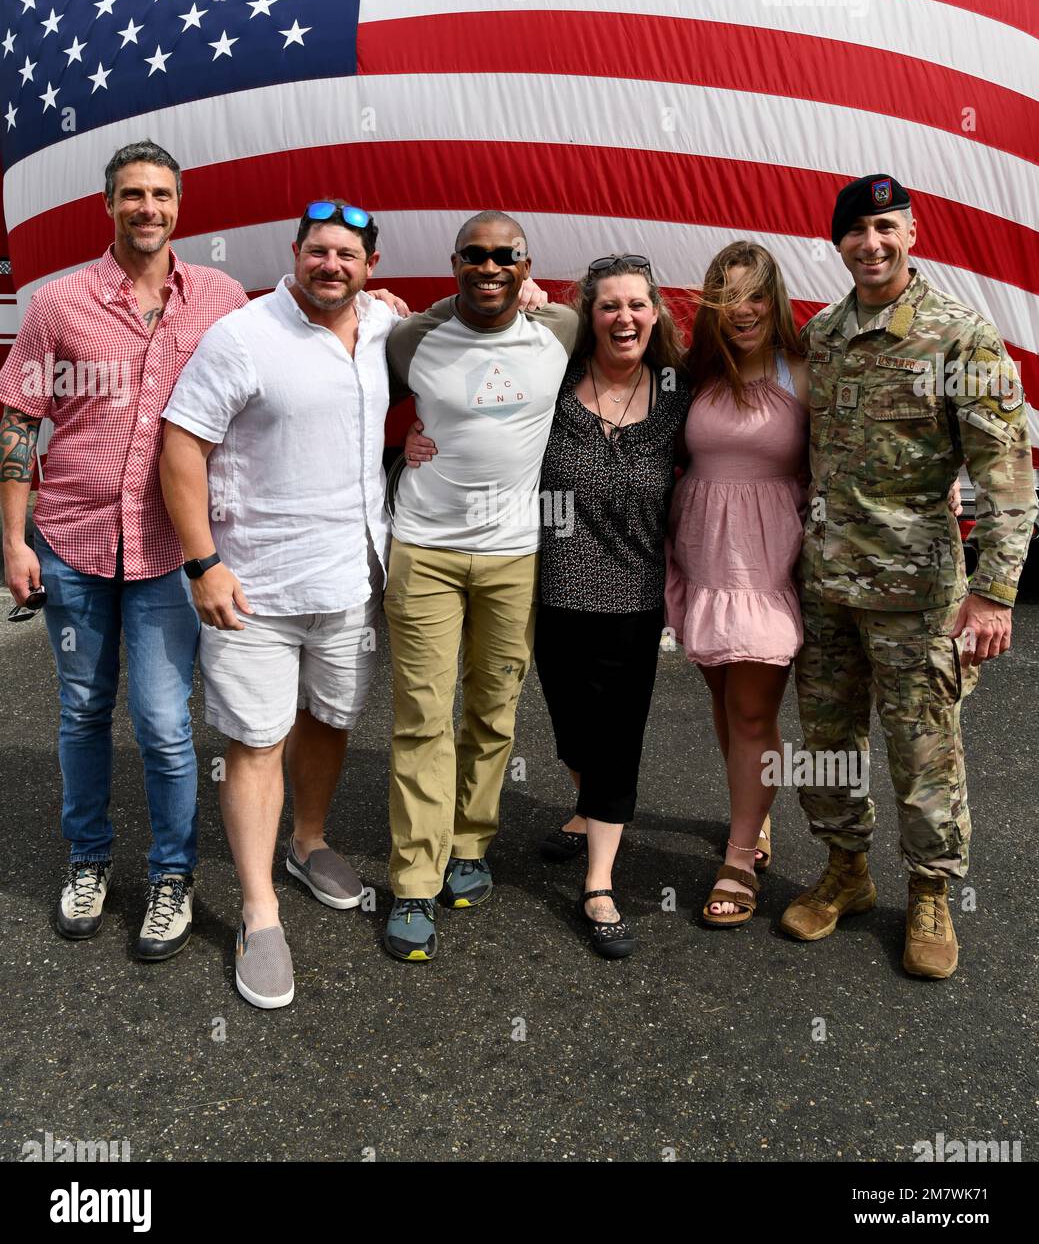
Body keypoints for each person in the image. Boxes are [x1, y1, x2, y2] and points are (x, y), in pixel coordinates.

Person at [781, 173, 1037, 978]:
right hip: (826, 586)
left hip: (918, 596)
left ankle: (928, 891)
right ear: (839, 244)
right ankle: (844, 871)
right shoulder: (821, 335)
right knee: (826, 744)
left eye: (885, 227)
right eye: (855, 232)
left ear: (911, 233)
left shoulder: (958, 336)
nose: (871, 244)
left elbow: (1006, 471)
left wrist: (994, 592)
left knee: (923, 748)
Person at [0, 140, 248, 959]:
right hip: (70, 543)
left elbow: (285, 357)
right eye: (133, 195)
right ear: (107, 204)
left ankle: (172, 874)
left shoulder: (219, 298)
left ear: (180, 206)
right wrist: (13, 540)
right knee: (80, 712)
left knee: (165, 726)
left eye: (162, 195)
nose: (149, 208)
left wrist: (385, 309)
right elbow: (18, 419)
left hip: (168, 554)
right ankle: (88, 860)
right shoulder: (58, 303)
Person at [159, 200, 404, 1009]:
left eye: (348, 255)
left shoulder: (379, 325)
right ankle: (259, 911)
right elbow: (182, 446)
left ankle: (307, 841)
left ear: (369, 268)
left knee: (331, 718)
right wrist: (203, 564)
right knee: (257, 739)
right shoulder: (244, 335)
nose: (331, 265)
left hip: (347, 579)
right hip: (252, 585)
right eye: (318, 251)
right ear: (295, 254)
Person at [381, 211, 577, 963]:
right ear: (453, 260)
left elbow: (621, 330)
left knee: (493, 711)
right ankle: (413, 881)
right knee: (422, 717)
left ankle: (469, 842)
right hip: (425, 549)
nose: (489, 268)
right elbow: (351, 402)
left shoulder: (557, 331)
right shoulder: (411, 339)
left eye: (505, 257)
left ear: (525, 265)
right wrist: (400, 454)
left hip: (514, 555)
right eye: (475, 256)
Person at [533, 255, 690, 956]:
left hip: (633, 596)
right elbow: (479, 406)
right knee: (571, 727)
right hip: (554, 589)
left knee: (615, 734)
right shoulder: (553, 382)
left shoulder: (679, 396)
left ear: (654, 314)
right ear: (586, 316)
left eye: (636, 305)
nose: (623, 317)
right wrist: (423, 443)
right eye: (607, 306)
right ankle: (586, 805)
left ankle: (598, 882)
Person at [665, 243, 809, 926]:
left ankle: (737, 857)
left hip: (765, 564)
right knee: (727, 704)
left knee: (752, 712)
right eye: (727, 298)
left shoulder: (802, 371)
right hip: (702, 559)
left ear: (773, 298)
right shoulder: (695, 371)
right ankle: (753, 817)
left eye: (754, 295)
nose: (742, 310)